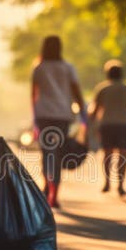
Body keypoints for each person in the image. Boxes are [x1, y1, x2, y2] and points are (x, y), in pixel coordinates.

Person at [31, 35, 87, 208]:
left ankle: (48, 188)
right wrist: (83, 115)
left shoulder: (39, 68)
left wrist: (34, 120)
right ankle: (54, 193)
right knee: (56, 154)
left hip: (44, 116)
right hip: (62, 116)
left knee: (47, 152)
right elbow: (77, 92)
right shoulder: (68, 68)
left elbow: (34, 95)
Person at [89, 59, 126, 195]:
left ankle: (107, 183)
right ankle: (120, 185)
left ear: (108, 74)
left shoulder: (102, 89)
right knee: (123, 156)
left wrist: (89, 127)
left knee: (108, 155)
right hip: (125, 124)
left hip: (107, 124)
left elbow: (95, 111)